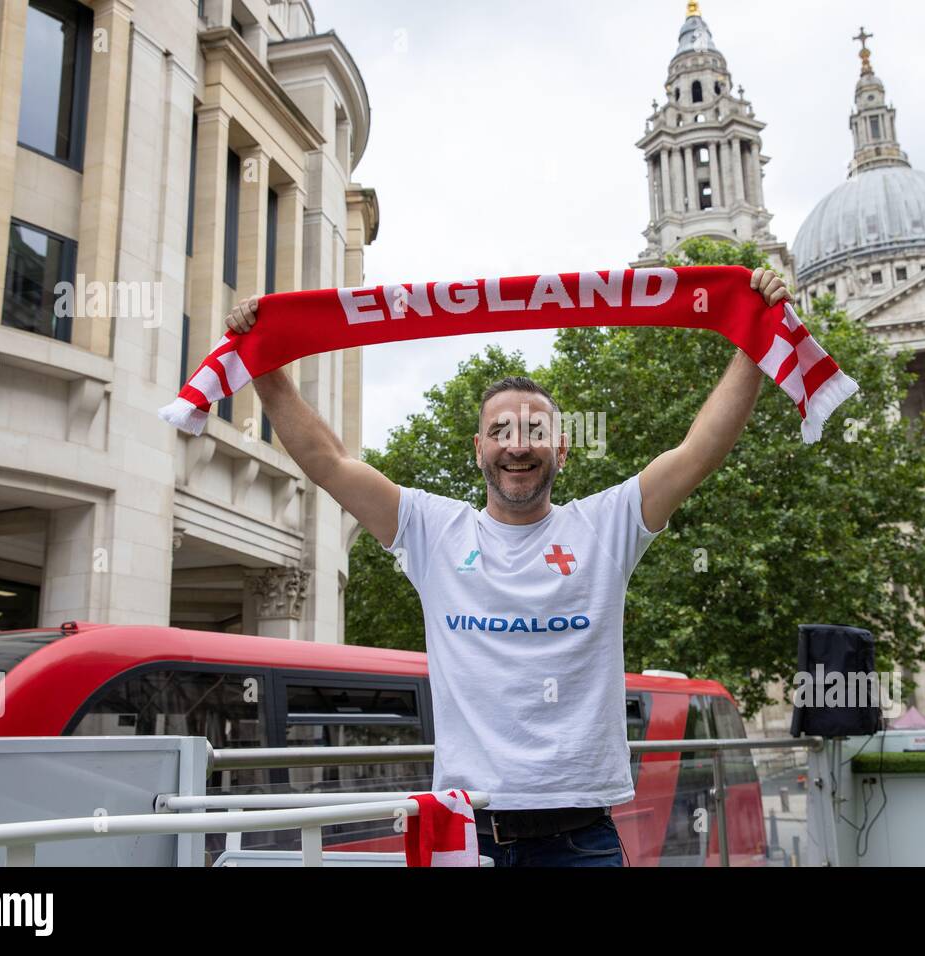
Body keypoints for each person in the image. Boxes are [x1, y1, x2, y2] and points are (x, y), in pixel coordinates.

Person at [224, 268, 793, 867]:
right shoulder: (432, 530)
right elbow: (331, 463)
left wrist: (752, 342)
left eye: (534, 430)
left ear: (562, 449)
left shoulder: (607, 525)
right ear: (478, 450)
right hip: (467, 837)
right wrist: (263, 363)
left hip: (582, 840)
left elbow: (698, 449)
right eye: (500, 430)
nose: (517, 444)